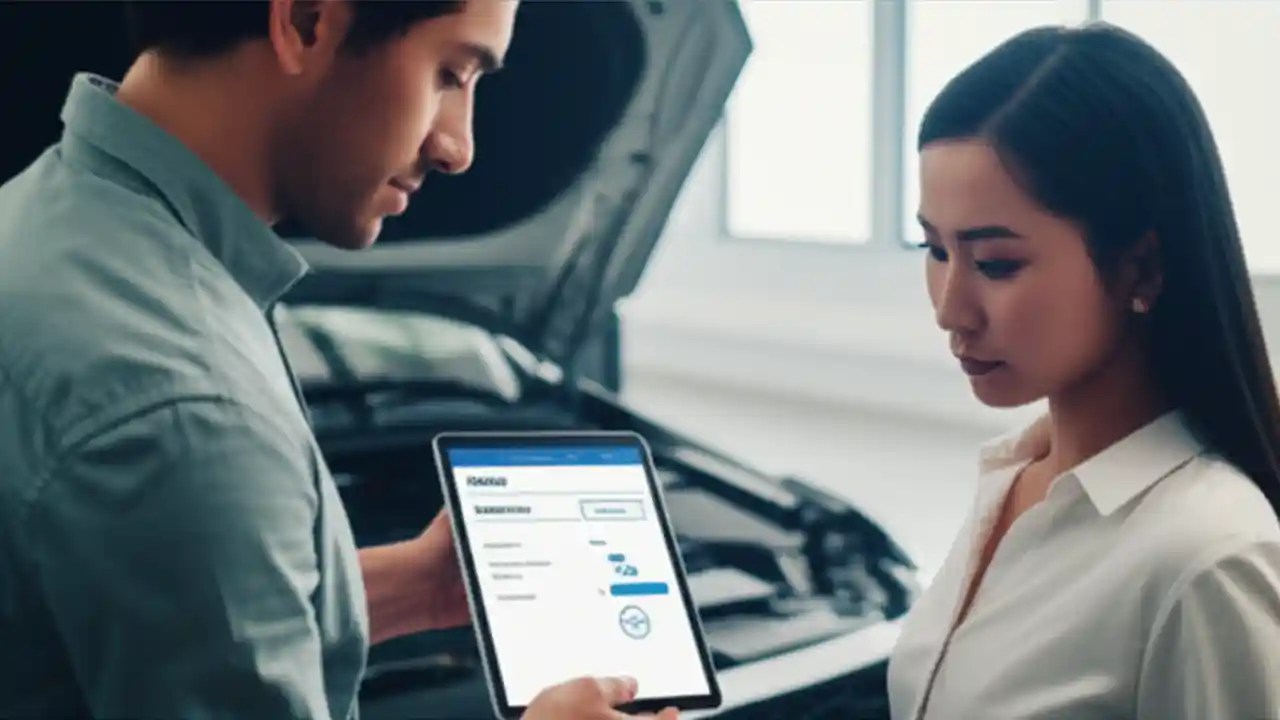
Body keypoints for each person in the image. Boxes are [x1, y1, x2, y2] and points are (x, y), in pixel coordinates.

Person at [0, 1, 675, 718]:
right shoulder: (191, 411)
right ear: (305, 21)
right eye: (450, 74)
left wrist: (415, 585)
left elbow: (116, 622)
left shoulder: (46, 220)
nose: (459, 146)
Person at [887, 22, 1280, 720]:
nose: (950, 310)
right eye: (935, 250)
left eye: (995, 263)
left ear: (1141, 267)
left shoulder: (1207, 558)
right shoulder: (1014, 480)